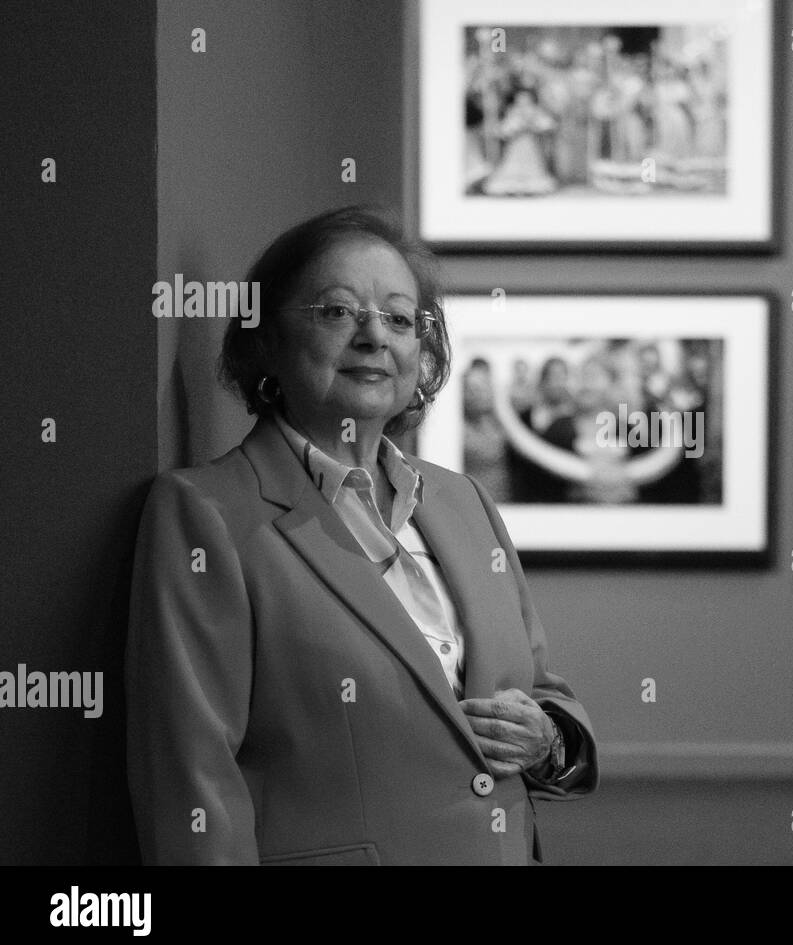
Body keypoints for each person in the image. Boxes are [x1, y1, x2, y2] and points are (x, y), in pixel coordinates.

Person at [125, 206, 597, 865]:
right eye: (337, 311)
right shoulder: (206, 514)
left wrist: (548, 739)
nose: (375, 337)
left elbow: (543, 689)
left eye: (401, 319)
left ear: (422, 355)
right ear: (264, 339)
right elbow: (192, 777)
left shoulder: (465, 503)